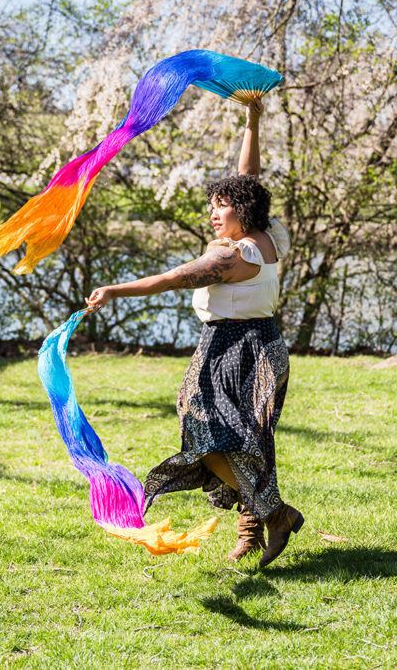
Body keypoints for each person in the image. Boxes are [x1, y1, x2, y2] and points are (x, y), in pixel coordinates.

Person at [85, 99, 303, 568]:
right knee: (229, 436)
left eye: (219, 208)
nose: (212, 215)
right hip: (245, 344)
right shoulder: (268, 233)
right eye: (211, 207)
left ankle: (271, 515)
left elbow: (172, 278)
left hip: (242, 350)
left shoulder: (234, 256)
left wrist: (115, 290)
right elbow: (249, 178)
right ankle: (263, 520)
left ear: (242, 212)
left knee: (219, 437)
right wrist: (252, 121)